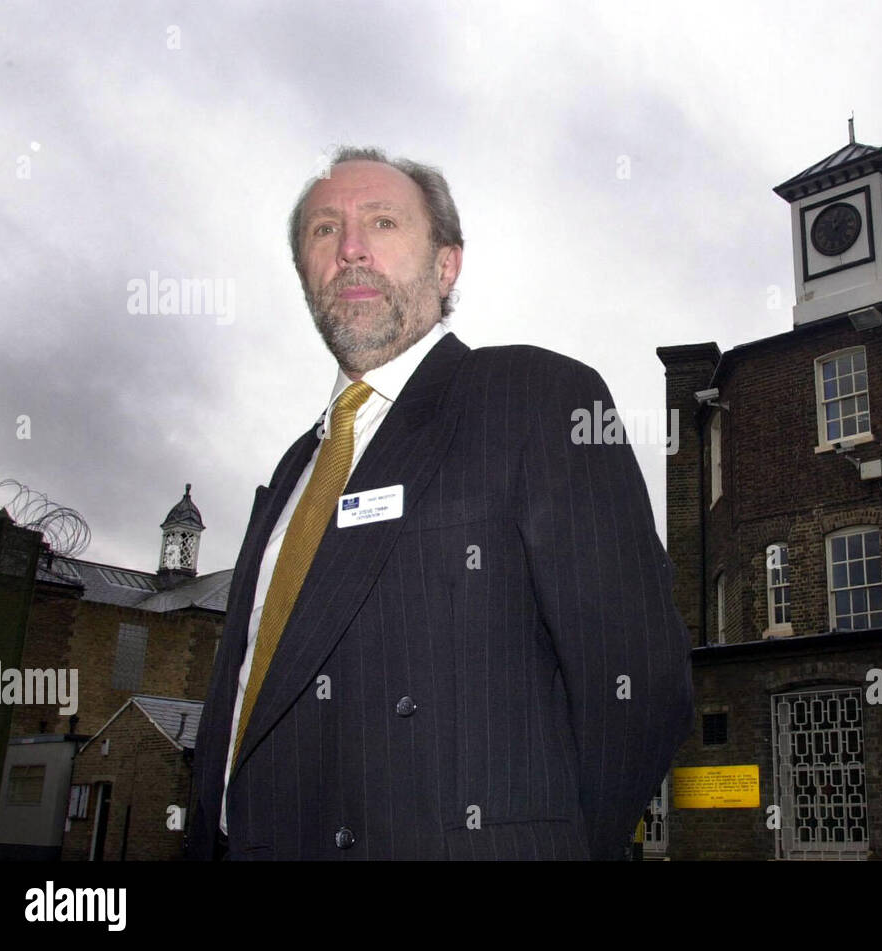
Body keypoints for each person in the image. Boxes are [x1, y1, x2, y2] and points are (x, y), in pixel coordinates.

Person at [186, 147, 694, 860]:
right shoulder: (293, 471)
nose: (351, 248)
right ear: (305, 272)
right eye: (324, 231)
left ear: (446, 264)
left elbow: (639, 683)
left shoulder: (536, 397)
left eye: (383, 222)